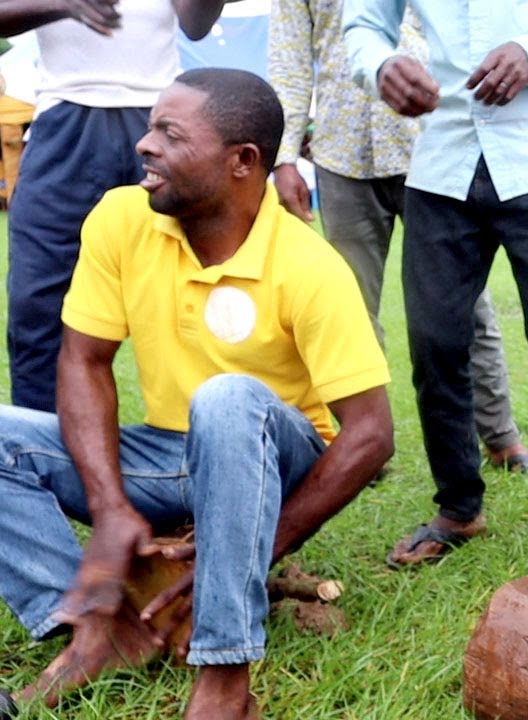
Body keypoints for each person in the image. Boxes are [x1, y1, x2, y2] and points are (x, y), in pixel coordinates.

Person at [0, 69, 393, 719]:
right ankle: (98, 630)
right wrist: (110, 503)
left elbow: (371, 434)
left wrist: (262, 547)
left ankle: (225, 674)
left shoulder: (309, 265)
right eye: (151, 126)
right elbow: (83, 359)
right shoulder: (121, 219)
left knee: (229, 400)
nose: (143, 146)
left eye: (169, 134)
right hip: (170, 454)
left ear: (242, 162)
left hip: (278, 459)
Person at [343, 0, 528, 575]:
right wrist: (379, 64)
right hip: (443, 158)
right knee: (434, 343)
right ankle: (458, 507)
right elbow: (363, 20)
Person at [268, 0, 528, 480]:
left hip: (437, 144)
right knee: (346, 310)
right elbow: (289, 57)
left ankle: (500, 437)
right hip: (341, 152)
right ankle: (362, 446)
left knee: (467, 305)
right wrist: (284, 156)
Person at [1, 0, 228, 411]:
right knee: (36, 305)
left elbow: (196, 25)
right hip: (65, 124)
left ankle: (199, 442)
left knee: (195, 290)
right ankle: (38, 457)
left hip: (159, 123)